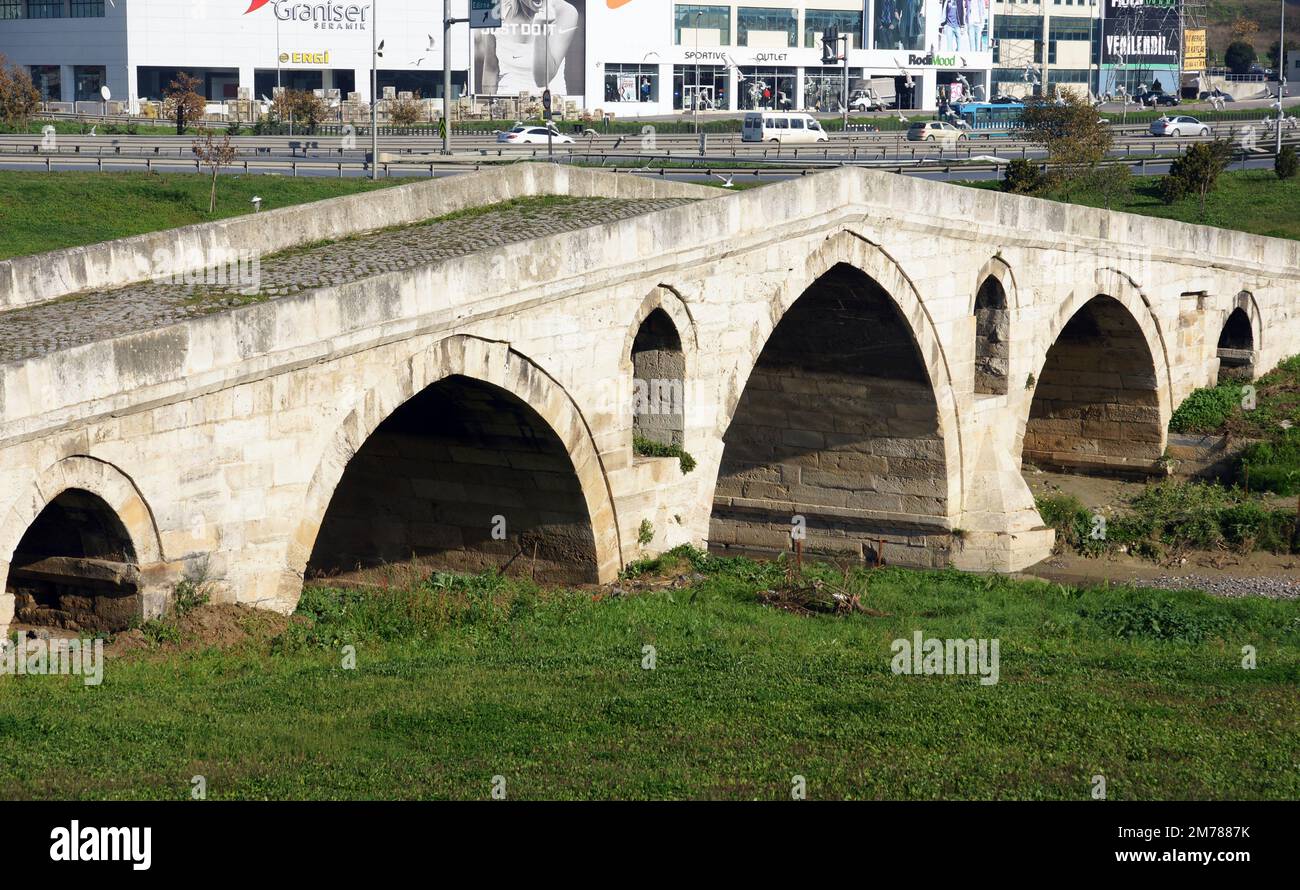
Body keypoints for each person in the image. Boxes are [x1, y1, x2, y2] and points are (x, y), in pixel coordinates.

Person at [476, 0, 578, 97]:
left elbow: (543, 79)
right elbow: (491, 69)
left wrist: (541, 30)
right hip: (506, 107)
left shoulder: (565, 11)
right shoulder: (492, 8)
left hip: (550, 108)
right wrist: (490, 107)